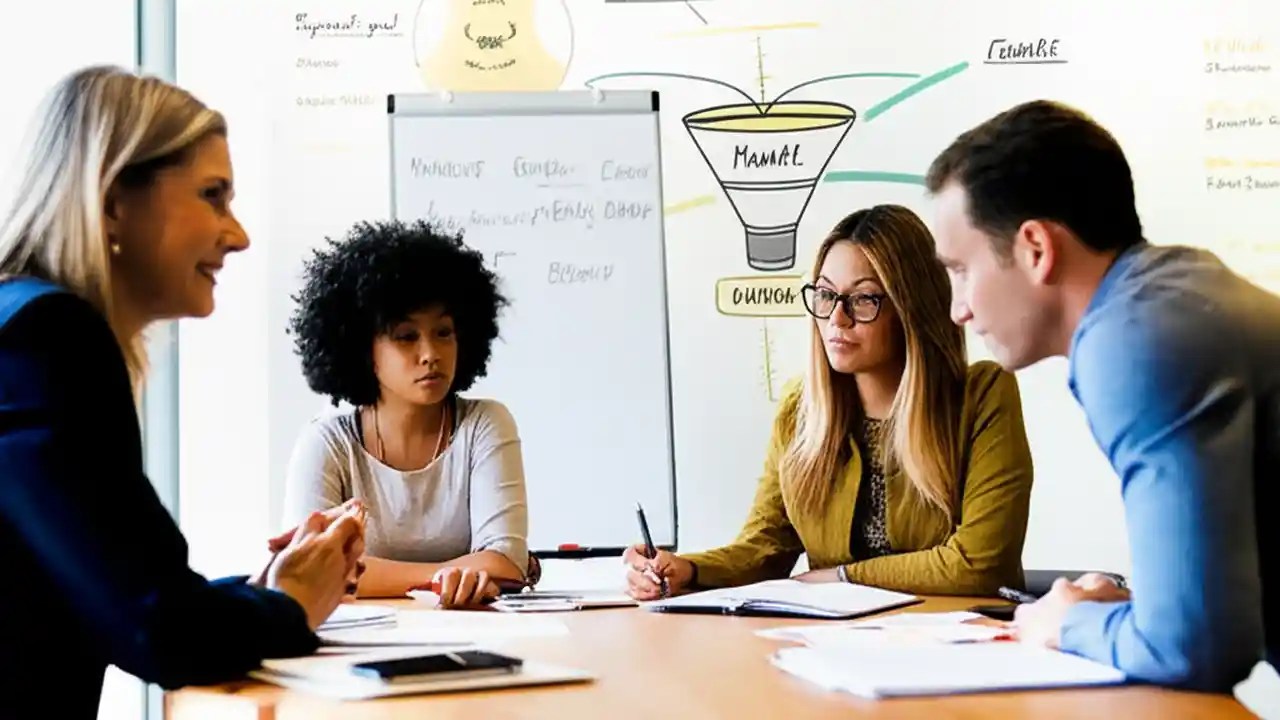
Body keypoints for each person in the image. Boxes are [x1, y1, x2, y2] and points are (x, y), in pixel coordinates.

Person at [0, 66, 363, 717]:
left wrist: (268, 593)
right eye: (213, 195)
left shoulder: (22, 324)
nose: (239, 234)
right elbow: (158, 632)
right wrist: (292, 605)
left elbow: (120, 595)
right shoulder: (48, 338)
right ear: (112, 199)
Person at [925, 98, 1276, 692]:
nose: (958, 309)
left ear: (1036, 248)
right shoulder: (1174, 290)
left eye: (960, 270)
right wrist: (1118, 613)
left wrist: (1068, 621)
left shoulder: (1134, 340)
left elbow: (1192, 646)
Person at [624, 204, 1035, 599]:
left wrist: (842, 578)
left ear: (912, 307)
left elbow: (981, 563)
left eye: (863, 299)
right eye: (825, 295)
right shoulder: (800, 410)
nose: (837, 319)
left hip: (956, 650)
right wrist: (685, 568)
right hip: (830, 645)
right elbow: (763, 550)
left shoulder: (983, 396)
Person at [283, 218, 534, 608]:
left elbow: (506, 563)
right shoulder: (327, 443)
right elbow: (305, 572)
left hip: (476, 635)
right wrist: (447, 578)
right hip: (359, 648)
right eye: (406, 336)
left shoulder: (485, 424)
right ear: (364, 348)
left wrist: (363, 573)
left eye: (443, 332)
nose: (430, 353)